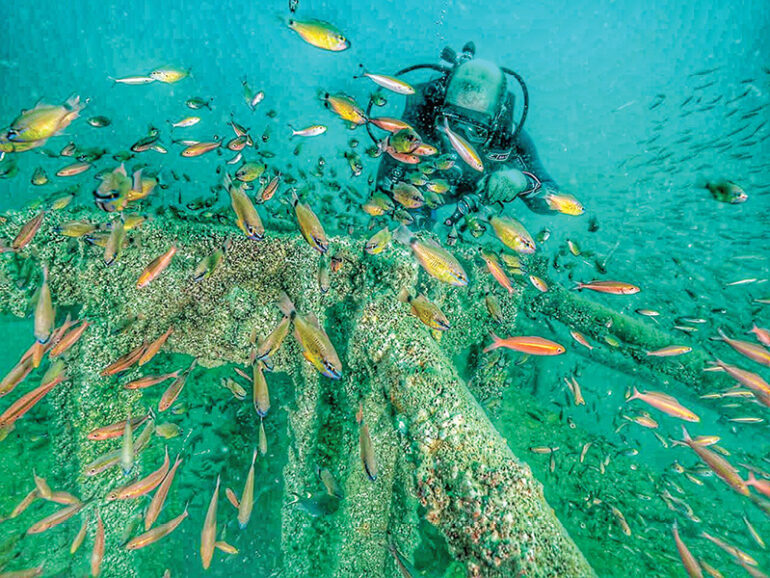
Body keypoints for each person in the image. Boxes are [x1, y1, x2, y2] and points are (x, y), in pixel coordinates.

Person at [372, 42, 563, 230]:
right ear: (441, 104)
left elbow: (558, 202)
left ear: (498, 116)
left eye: (476, 130)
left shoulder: (507, 137)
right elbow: (383, 191)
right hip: (420, 195)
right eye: (452, 123)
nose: (460, 144)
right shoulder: (421, 120)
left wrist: (522, 181)